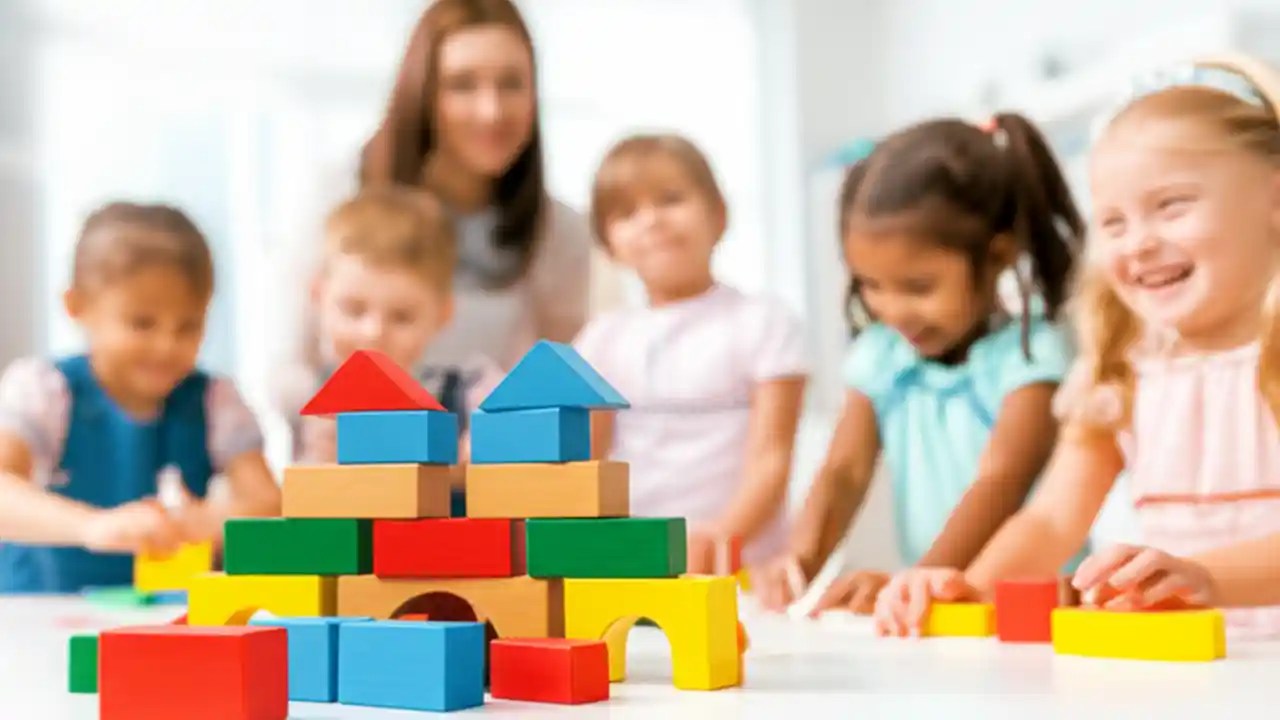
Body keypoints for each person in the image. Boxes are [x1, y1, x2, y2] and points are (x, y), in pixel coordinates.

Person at [874, 56, 1280, 639]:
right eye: (1113, 223)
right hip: (1189, 663)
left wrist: (1205, 577)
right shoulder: (1123, 371)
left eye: (1172, 205)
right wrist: (968, 585)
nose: (1139, 242)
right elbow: (1050, 521)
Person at [754, 113, 1083, 614]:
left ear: (997, 255)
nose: (891, 309)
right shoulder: (882, 357)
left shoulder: (1030, 354)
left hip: (1039, 609)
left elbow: (1003, 479)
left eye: (918, 287)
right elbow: (843, 471)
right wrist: (800, 559)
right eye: (871, 284)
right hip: (937, 604)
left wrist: (917, 580)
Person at [282, 0, 594, 391]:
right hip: (350, 442)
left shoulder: (558, 230)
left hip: (483, 446)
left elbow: (561, 383)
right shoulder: (342, 193)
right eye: (463, 84)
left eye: (512, 83)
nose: (491, 111)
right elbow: (287, 364)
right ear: (423, 93)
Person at [0, 202, 281, 593]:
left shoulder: (215, 401)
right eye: (142, 323)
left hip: (164, 620)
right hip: (37, 614)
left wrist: (210, 521)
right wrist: (92, 526)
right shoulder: (44, 390)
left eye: (188, 326)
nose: (167, 346)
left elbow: (269, 504)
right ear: (77, 307)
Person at [574, 134, 808, 572]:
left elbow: (771, 459)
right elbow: (586, 462)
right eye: (627, 212)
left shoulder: (763, 321)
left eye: (671, 199)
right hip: (634, 566)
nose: (652, 221)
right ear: (608, 244)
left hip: (740, 568)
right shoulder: (602, 339)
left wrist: (722, 536)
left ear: (718, 215)